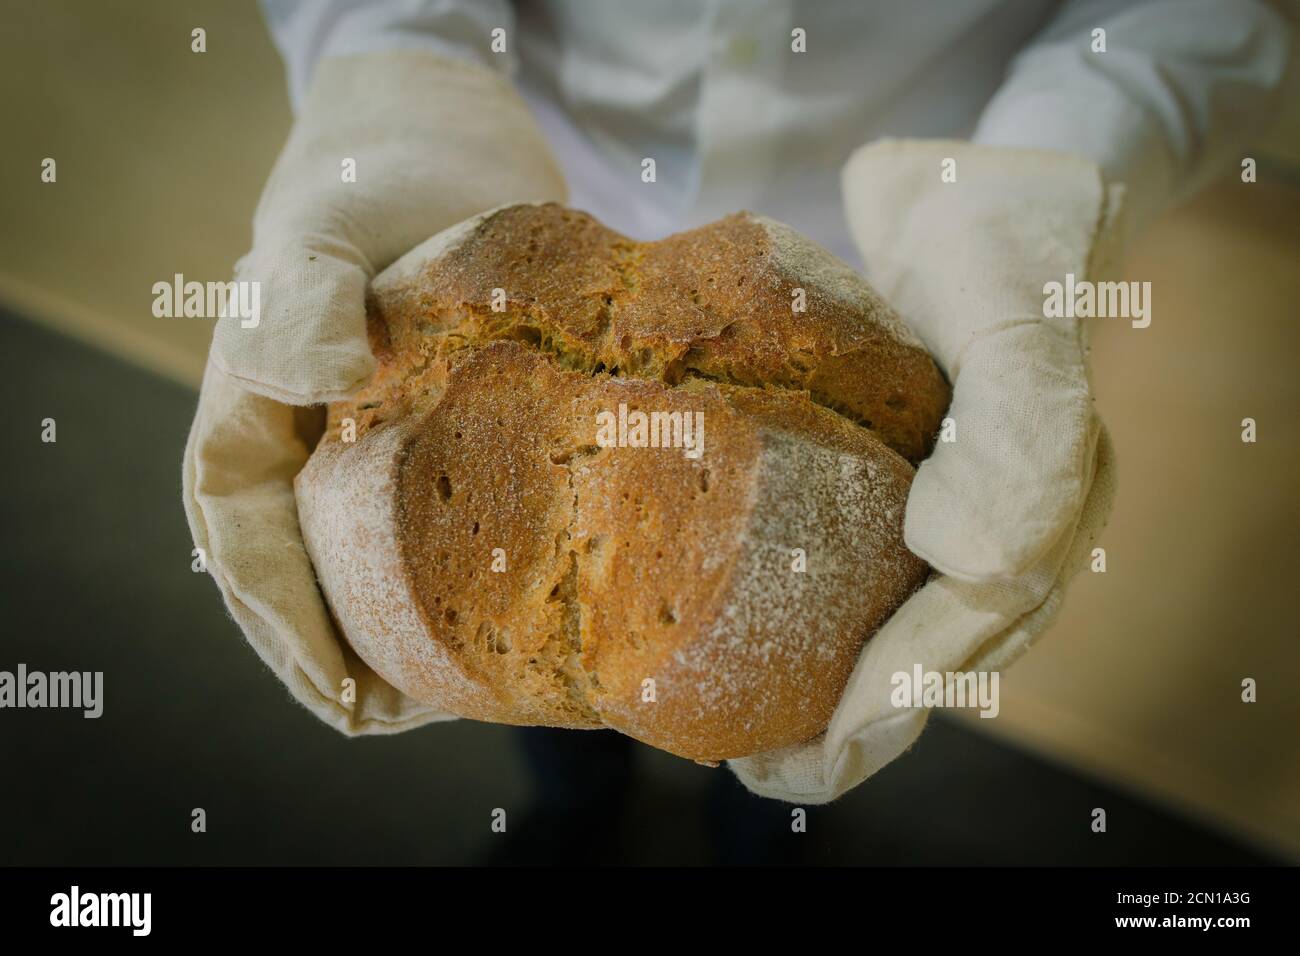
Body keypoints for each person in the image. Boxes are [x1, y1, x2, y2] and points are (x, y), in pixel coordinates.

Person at [182, 0, 1291, 830]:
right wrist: (398, 76)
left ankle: (759, 826)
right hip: (497, 199)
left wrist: (1028, 200)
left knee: (801, 687)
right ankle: (575, 792)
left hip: (899, 257)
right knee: (522, 693)